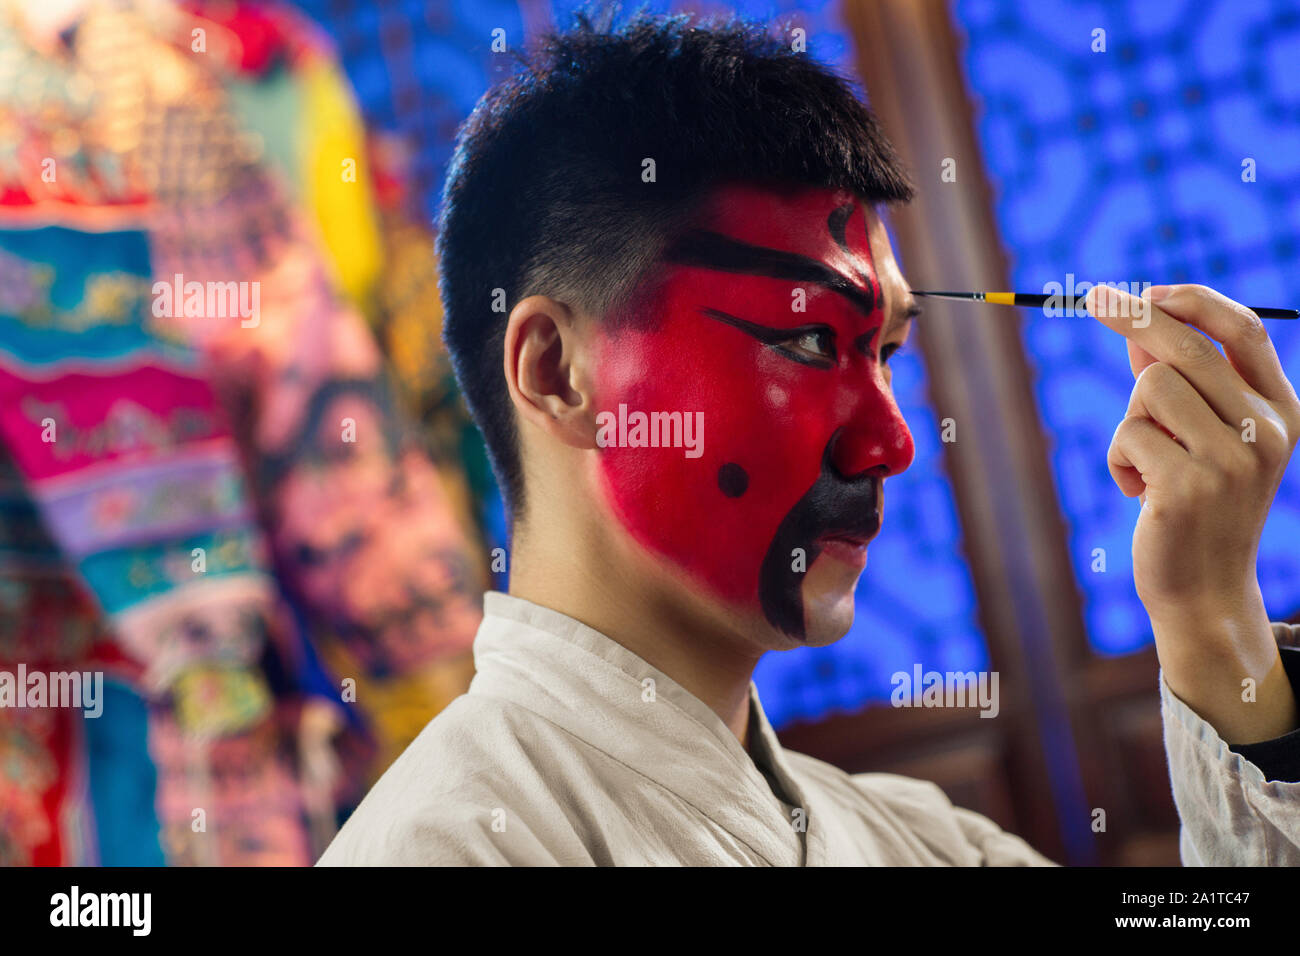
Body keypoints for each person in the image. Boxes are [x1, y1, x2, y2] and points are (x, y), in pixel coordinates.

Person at [318, 11, 1300, 866]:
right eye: (803, 338)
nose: (891, 442)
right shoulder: (443, 845)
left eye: (886, 351)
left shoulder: (928, 841)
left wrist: (1208, 615)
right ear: (555, 372)